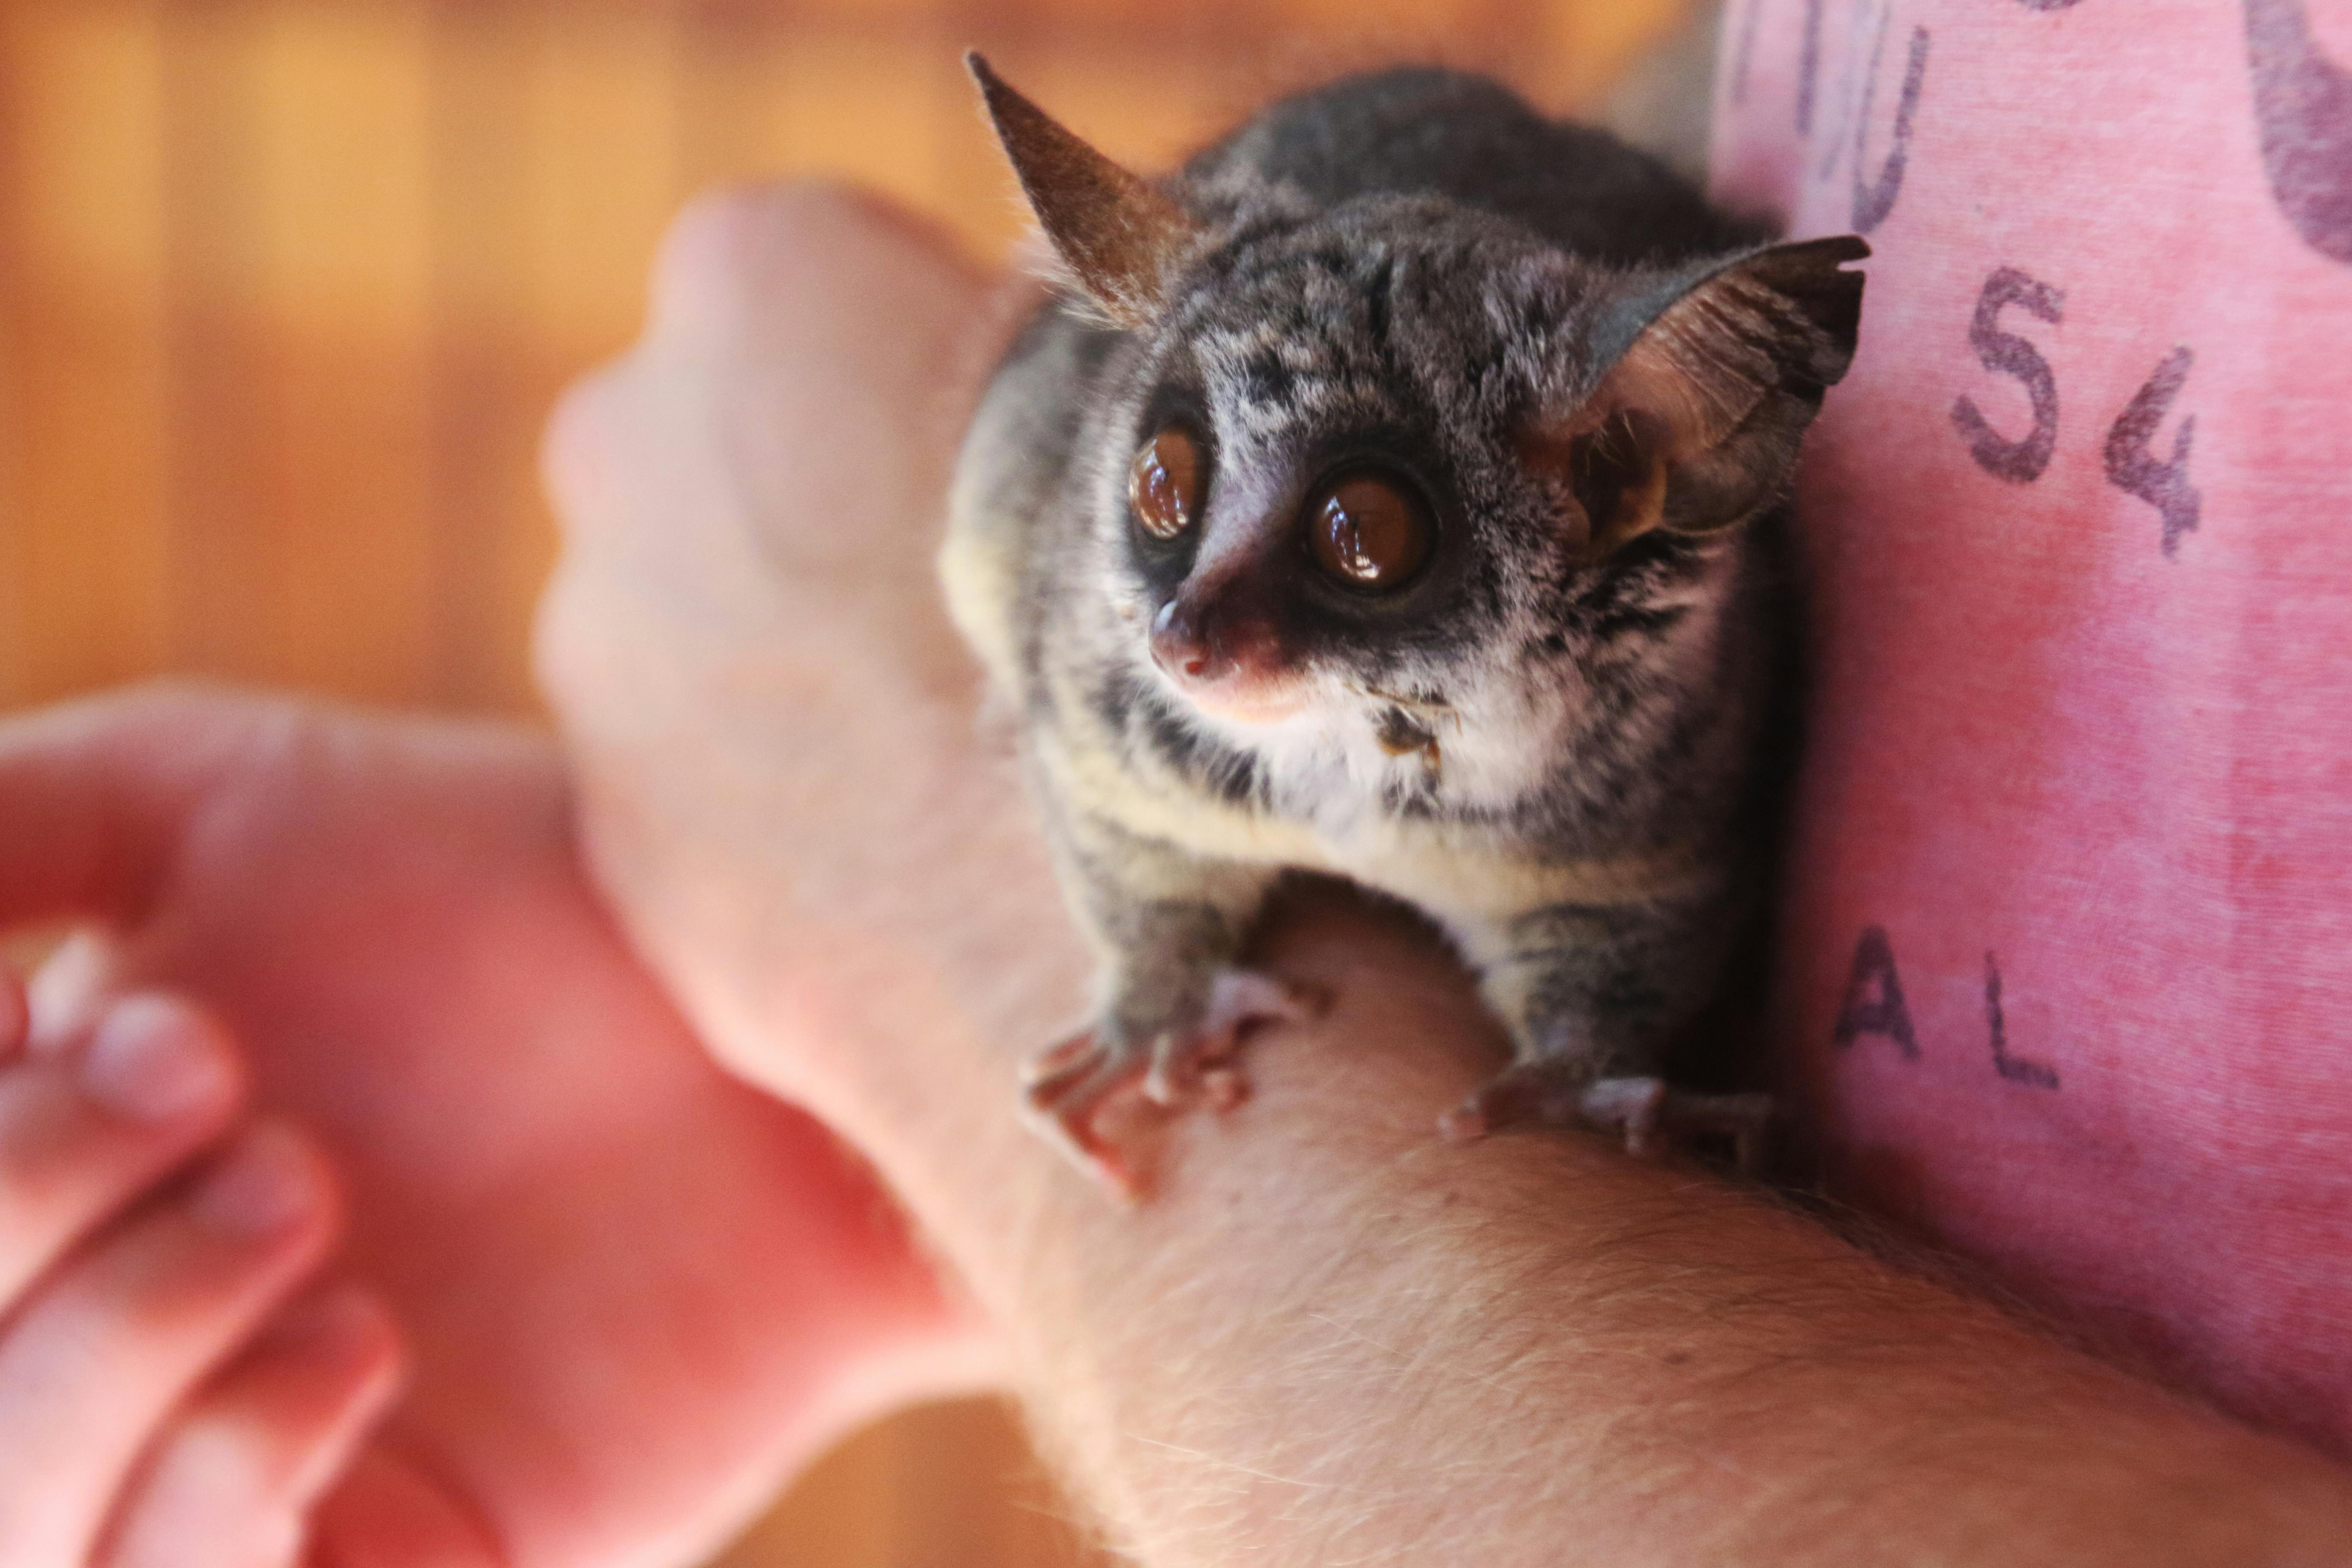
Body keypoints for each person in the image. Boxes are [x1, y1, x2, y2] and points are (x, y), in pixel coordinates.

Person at [6, 2, 2352, 1561]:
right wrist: (783, 1039)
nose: (1198, 619)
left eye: (1355, 538)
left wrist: (928, 886)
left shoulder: (1619, 601)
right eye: (1165, 506)